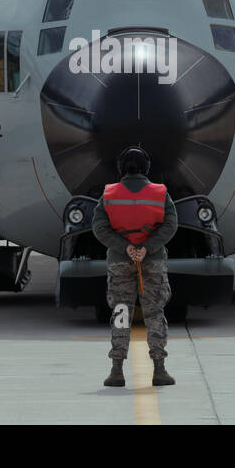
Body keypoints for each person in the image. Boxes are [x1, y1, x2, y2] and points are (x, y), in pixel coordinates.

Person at [92, 146, 178, 388]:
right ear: (146, 168)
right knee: (154, 313)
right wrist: (146, 247)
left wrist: (125, 247)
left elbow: (99, 227)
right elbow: (171, 224)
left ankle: (116, 369)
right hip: (152, 261)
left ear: (121, 168)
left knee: (121, 312)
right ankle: (159, 369)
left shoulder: (109, 194)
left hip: (120, 261)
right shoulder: (160, 193)